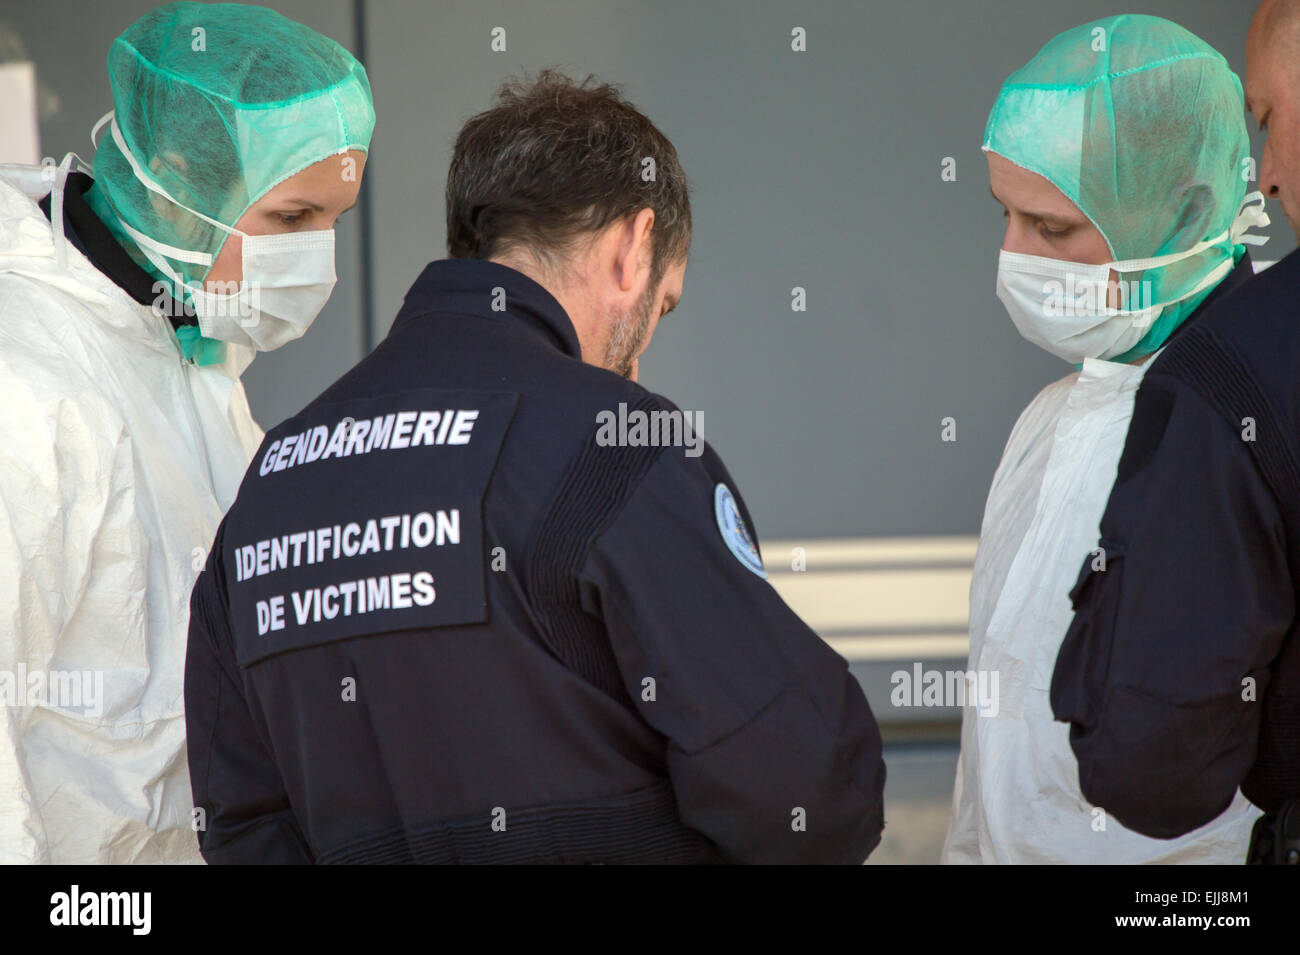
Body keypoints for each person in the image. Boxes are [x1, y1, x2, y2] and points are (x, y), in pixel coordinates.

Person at [184, 70, 885, 865]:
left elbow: (240, 823)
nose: (647, 345)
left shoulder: (275, 480)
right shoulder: (614, 447)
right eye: (667, 303)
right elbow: (807, 792)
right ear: (634, 246)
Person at [0, 2, 374, 863]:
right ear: (177, 180)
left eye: (335, 221)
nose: (317, 258)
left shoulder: (187, 349)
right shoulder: (30, 379)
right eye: (290, 219)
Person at [943, 15, 1271, 864]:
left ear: (1185, 212)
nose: (1013, 257)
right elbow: (997, 746)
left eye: (1052, 230)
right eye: (1003, 215)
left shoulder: (1252, 424)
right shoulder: (1050, 419)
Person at [1051, 0, 1300, 865]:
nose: (1265, 175)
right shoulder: (1047, 430)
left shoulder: (1230, 375)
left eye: (1268, 118)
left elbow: (1152, 764)